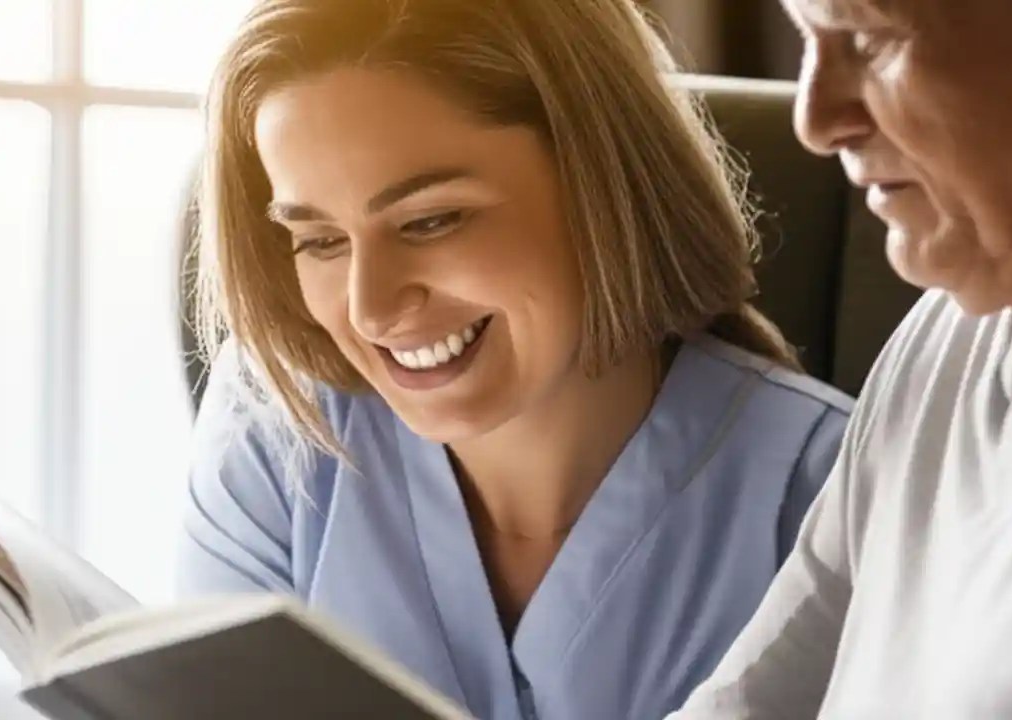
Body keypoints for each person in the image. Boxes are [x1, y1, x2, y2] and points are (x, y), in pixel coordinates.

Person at [176, 1, 851, 718]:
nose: (370, 309)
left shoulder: (835, 494)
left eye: (431, 220)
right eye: (320, 241)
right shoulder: (277, 431)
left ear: (605, 188)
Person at [671, 0, 1012, 717]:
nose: (816, 121)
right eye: (809, 39)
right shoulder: (948, 333)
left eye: (871, 39)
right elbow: (757, 698)